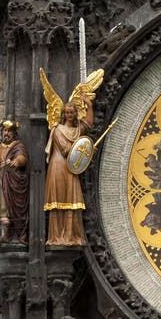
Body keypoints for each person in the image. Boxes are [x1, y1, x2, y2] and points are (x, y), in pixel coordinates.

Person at [44, 94, 92, 246]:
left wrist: (89, 106)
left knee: (72, 199)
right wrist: (87, 149)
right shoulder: (57, 130)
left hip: (72, 168)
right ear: (63, 114)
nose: (69, 115)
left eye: (72, 112)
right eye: (67, 112)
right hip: (59, 166)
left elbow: (88, 125)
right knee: (59, 198)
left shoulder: (77, 131)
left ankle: (71, 235)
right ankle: (57, 236)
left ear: (75, 114)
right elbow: (66, 150)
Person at [0, 118, 29, 244]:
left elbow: (22, 157)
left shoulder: (18, 146)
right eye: (4, 131)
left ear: (14, 133)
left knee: (18, 208)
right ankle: (6, 236)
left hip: (16, 182)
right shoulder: (0, 148)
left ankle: (21, 235)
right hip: (4, 182)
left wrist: (17, 161)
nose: (6, 133)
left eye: (9, 131)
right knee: (4, 210)